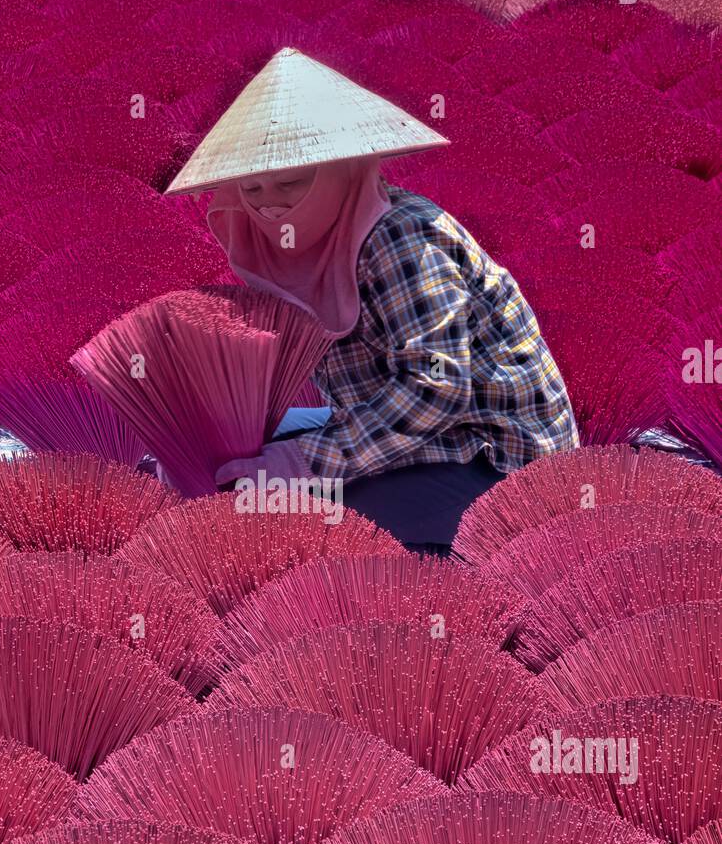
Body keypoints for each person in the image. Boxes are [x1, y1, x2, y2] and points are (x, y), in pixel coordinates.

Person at [165, 48, 579, 554]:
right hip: (414, 441)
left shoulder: (400, 239)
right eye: (252, 187)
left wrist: (305, 464)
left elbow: (437, 391)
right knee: (237, 487)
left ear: (343, 170)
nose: (270, 202)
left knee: (328, 538)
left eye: (292, 181)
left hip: (496, 457)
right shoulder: (292, 248)